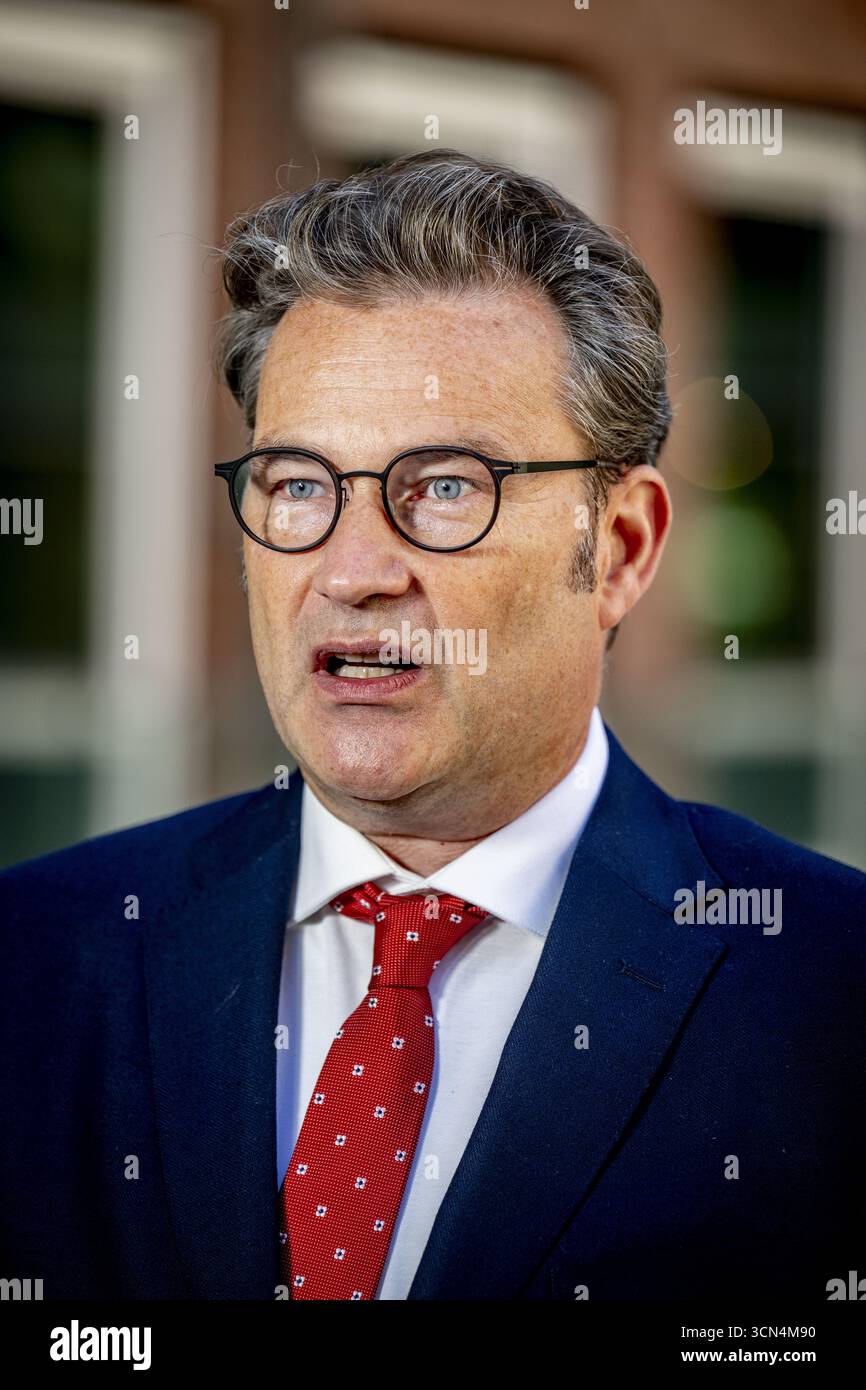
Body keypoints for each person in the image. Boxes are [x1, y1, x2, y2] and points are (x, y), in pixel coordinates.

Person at [1, 149, 863, 1302]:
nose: (352, 572)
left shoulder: (831, 997)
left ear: (617, 549)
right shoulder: (34, 960)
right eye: (299, 483)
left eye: (445, 486)